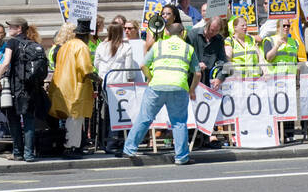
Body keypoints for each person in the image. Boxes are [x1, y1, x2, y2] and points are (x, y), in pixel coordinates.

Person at [122, 23, 196, 164]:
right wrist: (191, 89)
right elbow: (197, 72)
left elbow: (143, 65)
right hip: (178, 87)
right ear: (183, 33)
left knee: (144, 118)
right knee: (179, 123)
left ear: (167, 33)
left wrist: (150, 78)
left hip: (157, 85)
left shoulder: (158, 45)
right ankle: (181, 157)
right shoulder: (188, 48)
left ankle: (129, 149)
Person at [0, 17, 48, 163]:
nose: (8, 29)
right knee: (29, 121)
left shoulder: (12, 42)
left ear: (19, 29)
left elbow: (5, 63)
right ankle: (29, 154)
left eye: (11, 27)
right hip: (31, 88)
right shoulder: (34, 43)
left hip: (16, 88)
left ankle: (18, 152)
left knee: (14, 120)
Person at [48, 19, 94, 157]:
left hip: (62, 87)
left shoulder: (65, 46)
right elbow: (85, 69)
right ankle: (71, 147)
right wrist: (97, 78)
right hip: (76, 88)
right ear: (86, 35)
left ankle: (74, 146)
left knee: (70, 118)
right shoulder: (81, 47)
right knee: (75, 118)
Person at [94, 22, 138, 156]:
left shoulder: (101, 46)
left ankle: (109, 142)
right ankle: (120, 141)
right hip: (121, 84)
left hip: (106, 83)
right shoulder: (126, 47)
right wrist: (131, 80)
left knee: (107, 114)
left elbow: (96, 63)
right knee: (124, 114)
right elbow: (129, 69)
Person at [187, 14, 228, 89]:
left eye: (217, 31)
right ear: (207, 25)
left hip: (208, 81)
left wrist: (219, 78)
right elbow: (185, 57)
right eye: (212, 30)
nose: (213, 33)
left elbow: (223, 62)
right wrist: (196, 65)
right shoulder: (193, 34)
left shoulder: (219, 40)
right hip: (191, 79)